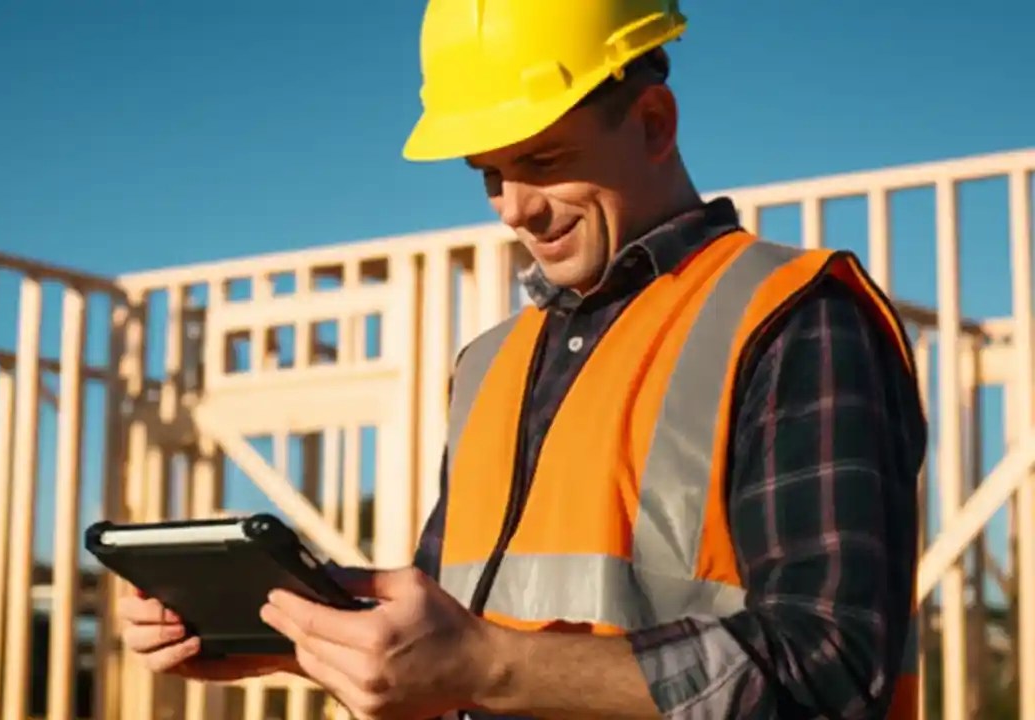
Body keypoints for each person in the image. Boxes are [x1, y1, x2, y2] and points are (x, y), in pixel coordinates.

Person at [116, 1, 927, 718]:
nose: (513, 209)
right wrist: (262, 634)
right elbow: (451, 633)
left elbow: (833, 663)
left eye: (541, 161)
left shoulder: (794, 316)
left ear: (653, 124)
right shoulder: (490, 365)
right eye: (489, 175)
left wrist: (486, 664)